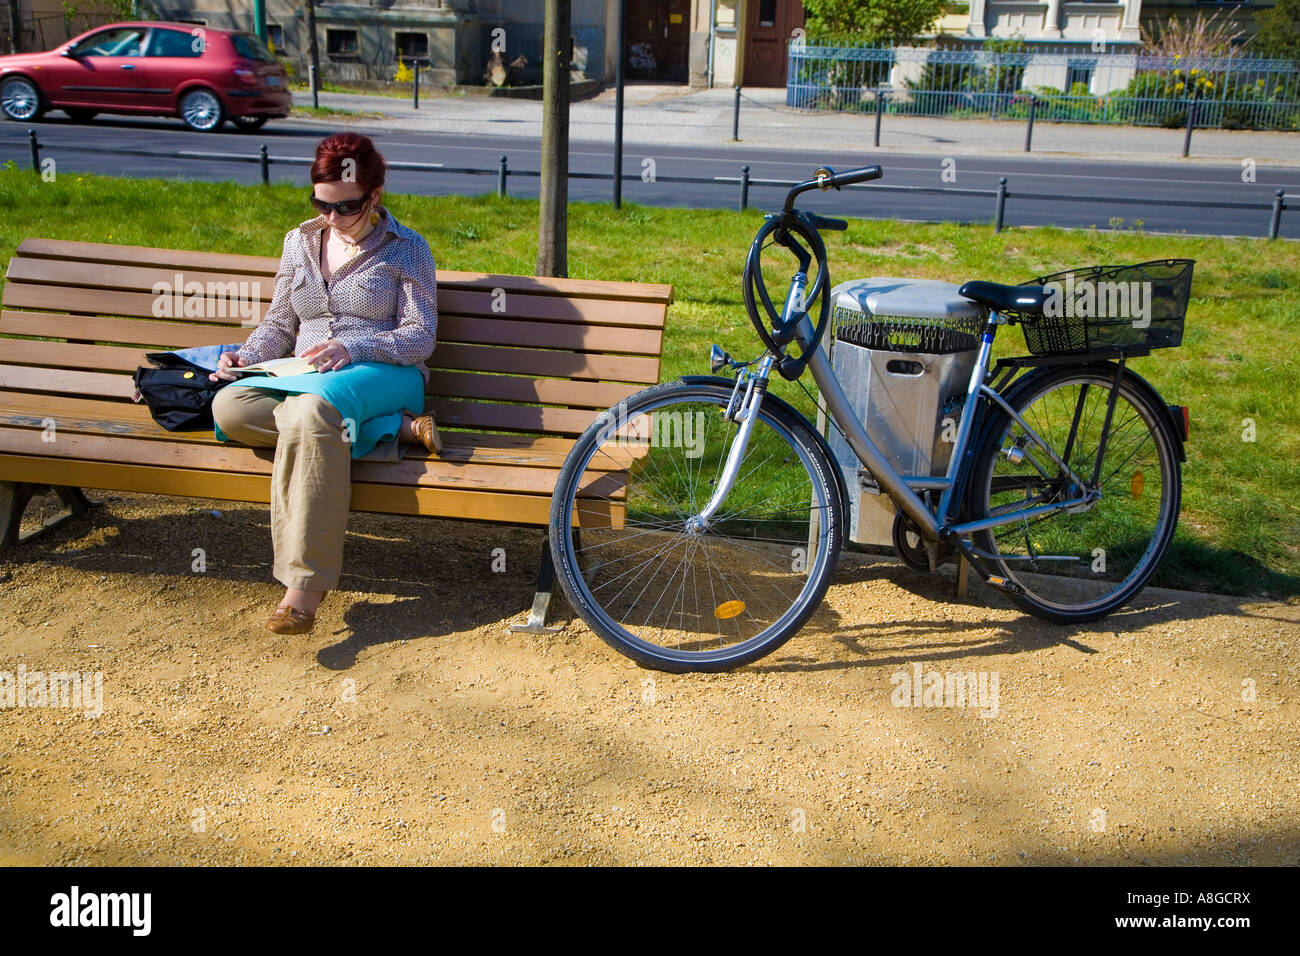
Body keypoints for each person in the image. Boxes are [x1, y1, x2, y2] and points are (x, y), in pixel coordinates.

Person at [210, 131, 441, 636]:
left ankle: (302, 592)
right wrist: (244, 357)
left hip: (385, 371)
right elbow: (279, 323)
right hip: (307, 378)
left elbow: (420, 337)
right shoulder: (299, 240)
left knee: (309, 414)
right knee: (229, 407)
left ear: (374, 196)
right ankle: (392, 431)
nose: (331, 218)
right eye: (321, 204)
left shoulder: (408, 249)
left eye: (346, 208)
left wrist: (354, 348)